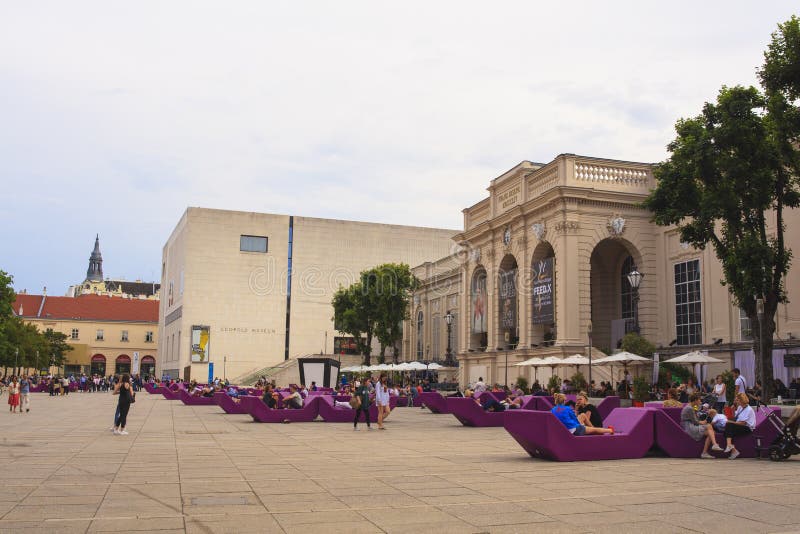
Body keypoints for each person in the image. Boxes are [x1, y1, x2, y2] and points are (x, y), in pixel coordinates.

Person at [681, 393, 723, 459]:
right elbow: (695, 422)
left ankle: (704, 452)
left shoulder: (692, 407)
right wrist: (703, 422)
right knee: (709, 426)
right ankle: (714, 444)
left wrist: (703, 414)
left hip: (691, 425)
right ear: (695, 400)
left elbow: (696, 418)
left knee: (711, 433)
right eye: (699, 400)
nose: (700, 402)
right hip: (689, 427)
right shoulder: (689, 408)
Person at [723, 392, 756, 460]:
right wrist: (732, 411)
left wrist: (730, 422)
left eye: (737, 400)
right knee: (727, 429)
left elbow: (743, 423)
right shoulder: (740, 407)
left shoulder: (748, 409)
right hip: (741, 425)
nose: (736, 401)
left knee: (729, 425)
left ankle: (730, 446)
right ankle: (732, 449)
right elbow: (734, 418)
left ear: (741, 400)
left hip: (747, 428)